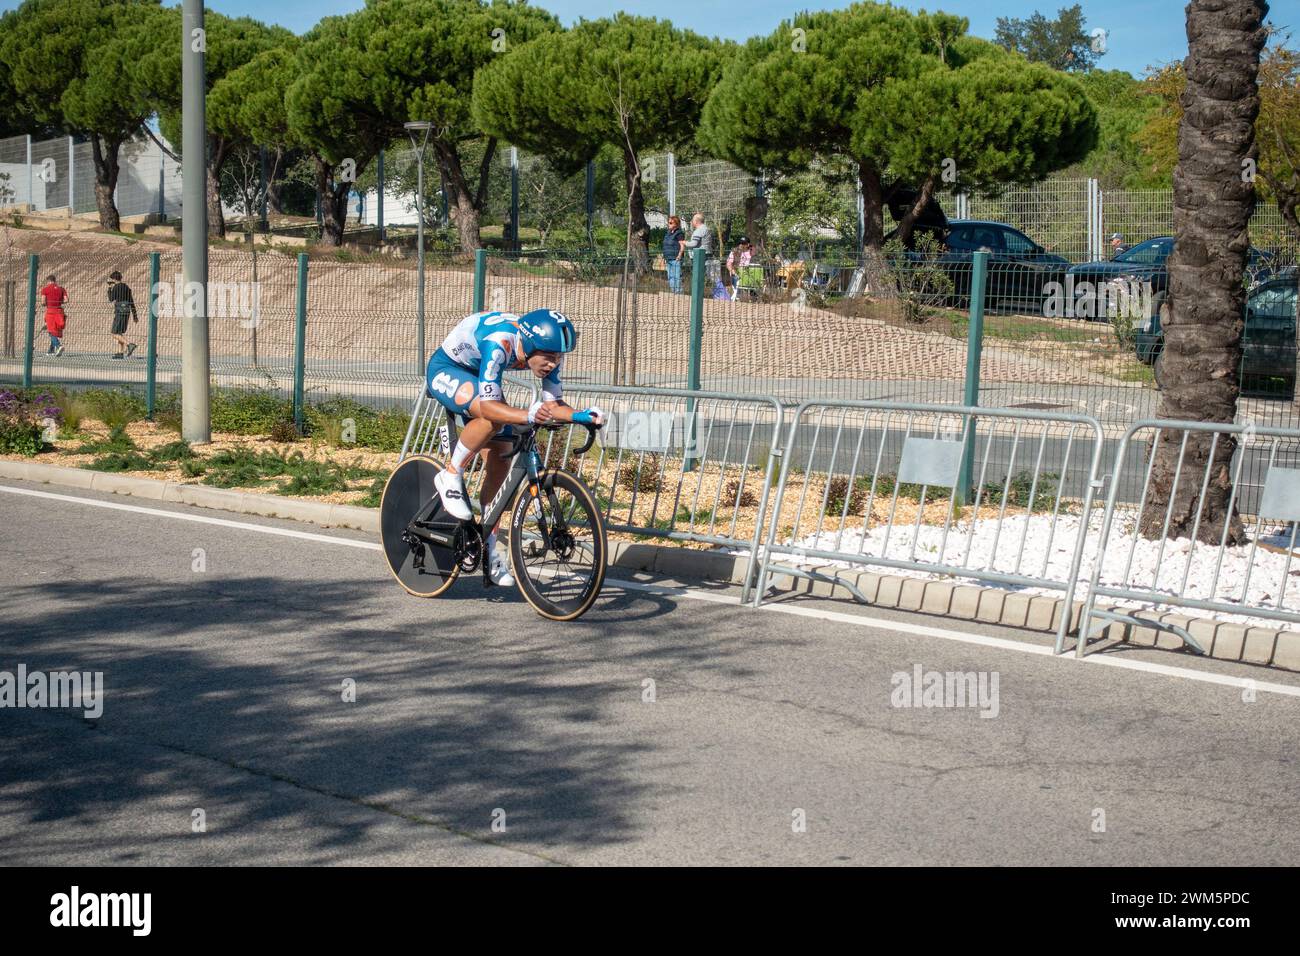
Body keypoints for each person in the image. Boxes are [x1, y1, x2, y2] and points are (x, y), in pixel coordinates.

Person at [424, 308, 604, 586]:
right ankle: (450, 473)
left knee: (501, 458)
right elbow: (487, 407)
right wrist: (528, 414)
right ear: (531, 344)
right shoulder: (500, 342)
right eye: (549, 357)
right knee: (491, 419)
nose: (553, 364)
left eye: (558, 357)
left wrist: (580, 415)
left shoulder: (549, 353)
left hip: (481, 375)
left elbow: (553, 404)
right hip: (449, 369)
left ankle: (489, 550)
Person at [107, 270, 139, 358]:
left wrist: (109, 288)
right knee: (119, 332)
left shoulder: (116, 287)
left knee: (114, 333)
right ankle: (120, 352)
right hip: (127, 311)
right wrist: (135, 316)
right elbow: (131, 301)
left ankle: (129, 345)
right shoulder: (127, 287)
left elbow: (111, 299)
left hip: (119, 311)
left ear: (114, 279)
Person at [40, 275, 67, 357]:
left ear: (49, 281)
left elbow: (43, 302)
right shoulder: (61, 289)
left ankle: (58, 346)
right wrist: (58, 301)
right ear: (55, 281)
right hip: (59, 311)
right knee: (55, 330)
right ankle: (51, 350)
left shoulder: (45, 289)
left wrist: (48, 302)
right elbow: (66, 300)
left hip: (50, 311)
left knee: (51, 331)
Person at [663, 215, 686, 293]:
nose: (669, 224)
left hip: (676, 258)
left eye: (670, 223)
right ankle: (674, 292)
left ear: (676, 224)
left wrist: (679, 255)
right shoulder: (668, 233)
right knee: (670, 277)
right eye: (668, 222)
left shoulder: (679, 234)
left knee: (677, 277)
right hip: (668, 258)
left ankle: (679, 293)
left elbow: (682, 245)